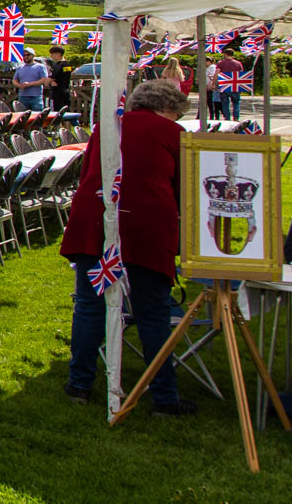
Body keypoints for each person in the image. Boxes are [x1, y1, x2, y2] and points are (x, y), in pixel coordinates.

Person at [61, 79, 195, 416]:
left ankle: (79, 384)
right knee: (153, 311)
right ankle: (164, 396)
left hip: (97, 218)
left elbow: (88, 172)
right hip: (144, 225)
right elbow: (185, 188)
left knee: (90, 306)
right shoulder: (172, 133)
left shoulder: (106, 128)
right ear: (168, 108)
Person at [217, 51, 244, 120]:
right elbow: (241, 75)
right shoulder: (238, 63)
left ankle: (227, 117)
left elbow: (217, 73)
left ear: (225, 54)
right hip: (235, 85)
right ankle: (236, 117)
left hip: (224, 85)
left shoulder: (221, 63)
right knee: (236, 102)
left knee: (225, 103)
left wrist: (214, 83)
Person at [46, 45, 72, 111]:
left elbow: (47, 82)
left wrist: (50, 81)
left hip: (57, 94)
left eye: (52, 54)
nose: (51, 56)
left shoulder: (58, 66)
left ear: (58, 54)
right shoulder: (67, 65)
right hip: (66, 92)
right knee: (66, 112)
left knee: (56, 113)